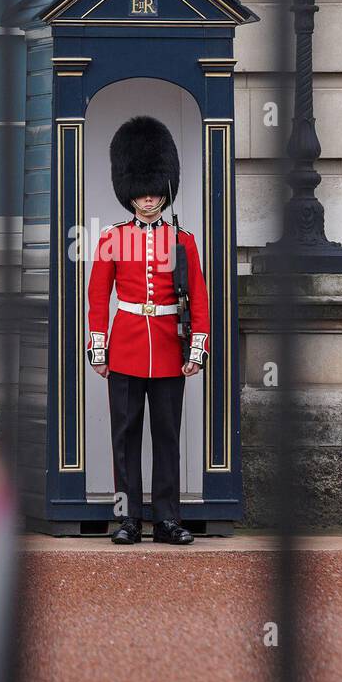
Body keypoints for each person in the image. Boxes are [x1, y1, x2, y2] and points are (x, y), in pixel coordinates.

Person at [86, 115, 210, 544]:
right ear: (128, 192)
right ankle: (127, 519)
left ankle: (167, 520)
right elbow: (98, 295)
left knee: (166, 438)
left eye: (155, 191)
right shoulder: (113, 238)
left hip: (169, 348)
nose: (148, 199)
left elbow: (199, 295)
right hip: (125, 347)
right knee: (124, 438)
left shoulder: (183, 240)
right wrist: (98, 348)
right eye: (140, 192)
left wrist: (197, 349)